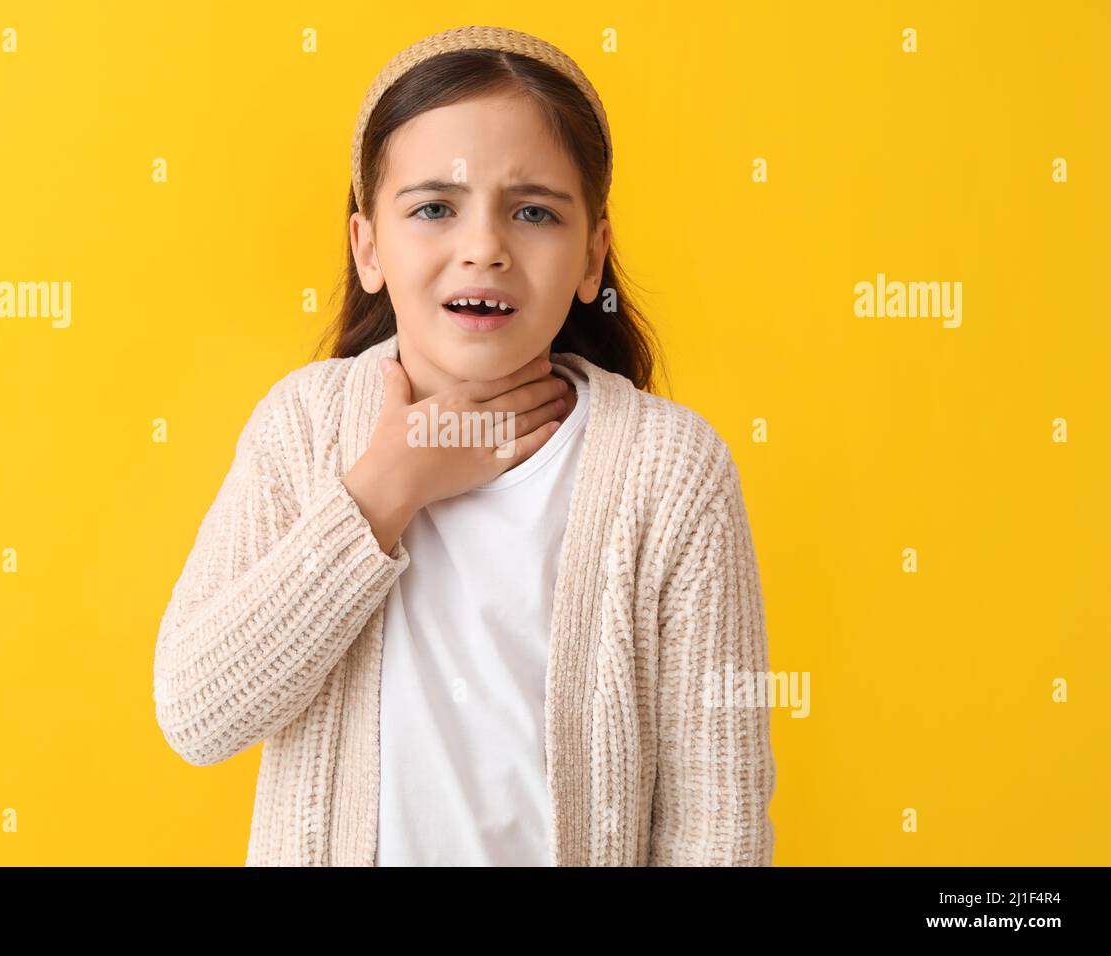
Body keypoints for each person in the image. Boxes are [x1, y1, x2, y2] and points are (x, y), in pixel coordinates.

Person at [152, 25, 776, 867]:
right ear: (368, 247)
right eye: (434, 208)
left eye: (534, 212)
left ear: (592, 258)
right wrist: (384, 489)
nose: (484, 247)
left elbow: (719, 818)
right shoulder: (304, 426)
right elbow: (197, 714)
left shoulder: (668, 471)